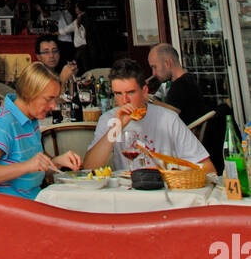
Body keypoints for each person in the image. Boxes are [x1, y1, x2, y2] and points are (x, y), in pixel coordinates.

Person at [0, 62, 82, 199]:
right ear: (29, 94)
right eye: (49, 99)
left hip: (34, 199)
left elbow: (33, 170)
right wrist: (27, 166)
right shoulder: (4, 123)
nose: (53, 106)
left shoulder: (30, 119)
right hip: (10, 208)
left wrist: (58, 162)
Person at [82, 58, 215, 175]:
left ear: (145, 91)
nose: (124, 100)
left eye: (131, 92)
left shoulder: (168, 118)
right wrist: (116, 128)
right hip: (128, 194)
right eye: (118, 94)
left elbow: (207, 168)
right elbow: (89, 167)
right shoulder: (109, 119)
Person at [146, 43, 207, 126]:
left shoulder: (180, 85)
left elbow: (171, 114)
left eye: (155, 67)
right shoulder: (189, 79)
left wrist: (148, 100)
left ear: (168, 63)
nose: (153, 73)